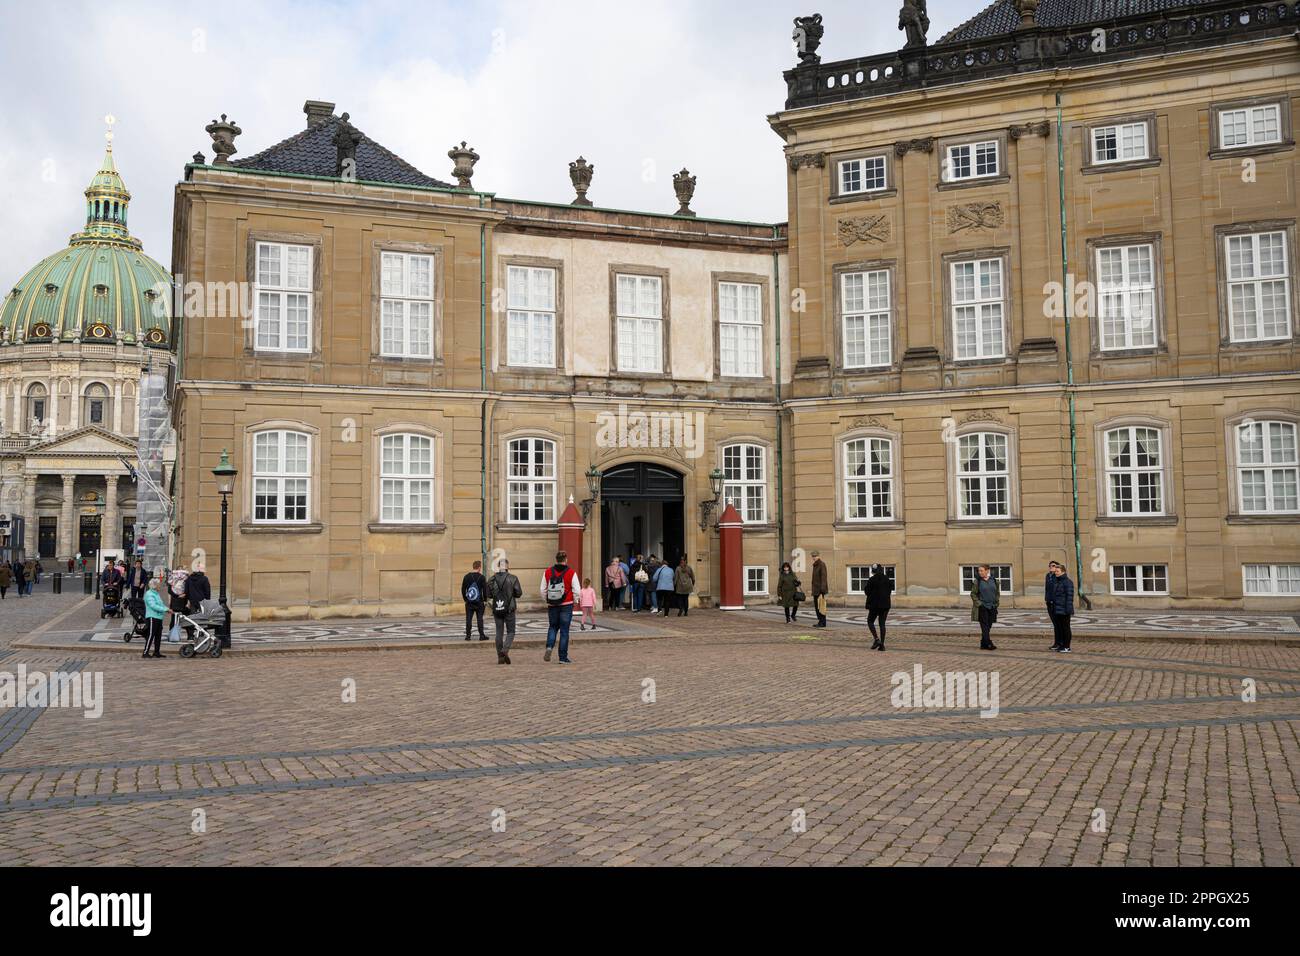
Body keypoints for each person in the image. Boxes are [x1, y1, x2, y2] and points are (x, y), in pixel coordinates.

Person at [541, 550, 580, 663]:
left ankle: (549, 647)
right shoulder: (571, 572)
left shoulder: (548, 572)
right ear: (565, 559)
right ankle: (562, 657)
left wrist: (547, 600)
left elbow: (542, 589)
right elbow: (577, 590)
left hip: (552, 604)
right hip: (566, 605)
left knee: (552, 627)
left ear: (556, 559)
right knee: (564, 631)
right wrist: (575, 600)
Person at [487, 559, 522, 664]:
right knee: (511, 631)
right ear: (507, 566)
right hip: (509, 608)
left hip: (497, 608)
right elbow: (519, 593)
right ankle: (505, 650)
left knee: (499, 632)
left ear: (498, 567)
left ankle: (500, 657)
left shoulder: (491, 579)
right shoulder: (513, 578)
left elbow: (488, 595)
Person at [1046, 560, 1075, 653]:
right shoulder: (1058, 581)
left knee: (1066, 628)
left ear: (1063, 572)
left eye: (1057, 571)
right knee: (1060, 627)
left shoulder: (1067, 582)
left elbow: (1069, 597)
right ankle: (1061, 645)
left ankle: (1067, 646)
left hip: (1064, 609)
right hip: (1057, 608)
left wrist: (1068, 609)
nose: (1056, 573)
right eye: (1056, 572)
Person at [970, 564, 1000, 650]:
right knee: (985, 626)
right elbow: (973, 594)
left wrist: (997, 603)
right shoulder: (977, 581)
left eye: (981, 570)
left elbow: (997, 593)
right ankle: (989, 643)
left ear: (987, 571)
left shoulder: (994, 580)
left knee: (989, 625)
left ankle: (983, 643)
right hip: (982, 607)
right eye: (979, 571)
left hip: (992, 606)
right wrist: (979, 604)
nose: (979, 572)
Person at [865, 564, 893, 651]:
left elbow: (866, 591)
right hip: (885, 605)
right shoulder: (887, 579)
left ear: (873, 571)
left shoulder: (872, 580)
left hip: (875, 605)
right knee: (882, 624)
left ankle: (877, 639)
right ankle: (882, 645)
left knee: (870, 621)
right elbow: (890, 590)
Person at [461, 560, 488, 642]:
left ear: (473, 567)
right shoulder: (482, 577)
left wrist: (466, 599)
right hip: (479, 602)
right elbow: (485, 590)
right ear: (479, 567)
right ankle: (481, 636)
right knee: (480, 619)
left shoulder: (466, 577)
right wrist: (485, 600)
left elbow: (463, 589)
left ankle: (468, 636)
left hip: (469, 602)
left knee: (468, 619)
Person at [142, 576, 167, 659]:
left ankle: (156, 652)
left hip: (159, 617)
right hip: (152, 617)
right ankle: (145, 652)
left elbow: (161, 604)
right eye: (159, 585)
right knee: (151, 635)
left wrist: (167, 609)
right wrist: (165, 609)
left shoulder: (156, 594)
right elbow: (153, 606)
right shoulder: (149, 594)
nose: (160, 586)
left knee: (158, 635)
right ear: (155, 586)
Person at [811, 550, 829, 628]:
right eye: (813, 556)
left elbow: (823, 577)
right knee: (817, 607)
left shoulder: (821, 564)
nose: (814, 558)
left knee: (821, 607)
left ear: (818, 556)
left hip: (820, 590)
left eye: (815, 556)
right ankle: (820, 621)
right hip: (816, 590)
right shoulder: (815, 565)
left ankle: (822, 622)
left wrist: (822, 589)